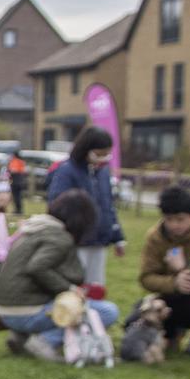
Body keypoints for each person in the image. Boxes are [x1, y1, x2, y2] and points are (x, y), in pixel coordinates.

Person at [0, 189, 120, 361]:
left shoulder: (34, 229)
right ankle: (44, 341)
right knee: (107, 311)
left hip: (3, 310)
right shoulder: (59, 237)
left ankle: (22, 336)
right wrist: (70, 289)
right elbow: (37, 267)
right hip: (25, 311)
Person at [46, 127, 126, 298]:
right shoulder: (67, 171)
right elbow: (57, 204)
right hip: (76, 240)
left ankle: (95, 312)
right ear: (86, 149)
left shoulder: (103, 172)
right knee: (75, 285)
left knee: (96, 286)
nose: (103, 158)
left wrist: (117, 236)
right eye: (99, 154)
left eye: (106, 154)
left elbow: (108, 204)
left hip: (99, 240)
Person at [137, 185, 190, 355]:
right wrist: (174, 282)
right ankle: (171, 334)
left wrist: (183, 270)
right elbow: (146, 277)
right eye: (169, 219)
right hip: (170, 296)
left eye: (180, 219)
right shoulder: (155, 237)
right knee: (134, 319)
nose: (174, 225)